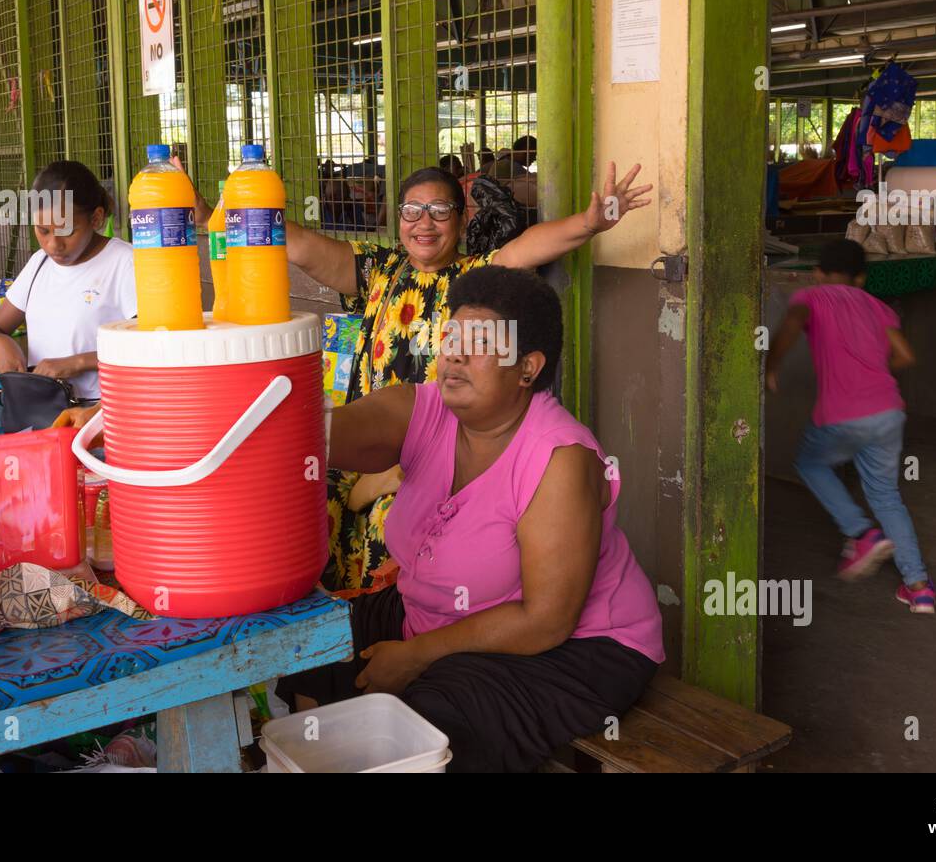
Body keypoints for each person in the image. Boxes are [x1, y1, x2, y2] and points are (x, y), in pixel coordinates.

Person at [275, 266, 664, 772]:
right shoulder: (422, 410)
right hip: (438, 614)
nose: (454, 354)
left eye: (480, 343)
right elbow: (315, 435)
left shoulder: (558, 459)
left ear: (527, 367)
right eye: (451, 336)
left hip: (576, 645)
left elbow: (545, 620)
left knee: (434, 723)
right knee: (311, 647)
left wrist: (416, 656)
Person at [287, 160, 652, 592]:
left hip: (428, 460)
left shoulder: (475, 278)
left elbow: (530, 247)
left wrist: (590, 223)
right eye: (412, 210)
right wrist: (214, 214)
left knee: (401, 557)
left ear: (461, 221)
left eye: (440, 210)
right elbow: (302, 246)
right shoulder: (378, 272)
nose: (425, 223)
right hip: (369, 442)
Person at [766, 238, 936, 614]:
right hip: (889, 412)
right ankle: (919, 587)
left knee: (810, 464)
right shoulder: (876, 306)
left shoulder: (811, 297)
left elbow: (791, 325)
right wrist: (871, 375)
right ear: (861, 278)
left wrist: (770, 366)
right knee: (887, 496)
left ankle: (860, 532)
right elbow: (906, 355)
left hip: (842, 415)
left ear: (818, 273)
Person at [0, 161, 135, 401]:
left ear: (96, 218)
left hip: (102, 412)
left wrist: (78, 362)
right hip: (45, 408)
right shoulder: (39, 263)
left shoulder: (125, 263)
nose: (53, 245)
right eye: (43, 231)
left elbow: (151, 346)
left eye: (67, 231)